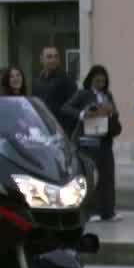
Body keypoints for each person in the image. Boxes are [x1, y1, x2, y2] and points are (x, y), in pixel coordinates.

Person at [65, 65, 121, 220]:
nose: (100, 84)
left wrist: (112, 112)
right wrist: (83, 114)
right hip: (88, 141)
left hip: (105, 139)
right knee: (92, 177)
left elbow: (115, 114)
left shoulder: (107, 95)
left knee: (107, 176)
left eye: (103, 81)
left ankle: (108, 211)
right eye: (97, 81)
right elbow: (66, 108)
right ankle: (92, 211)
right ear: (91, 80)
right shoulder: (83, 94)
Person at [32, 47, 77, 133]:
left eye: (56, 56)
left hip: (61, 129)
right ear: (41, 59)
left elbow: (74, 106)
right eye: (49, 57)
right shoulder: (37, 80)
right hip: (42, 127)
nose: (53, 60)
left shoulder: (67, 79)